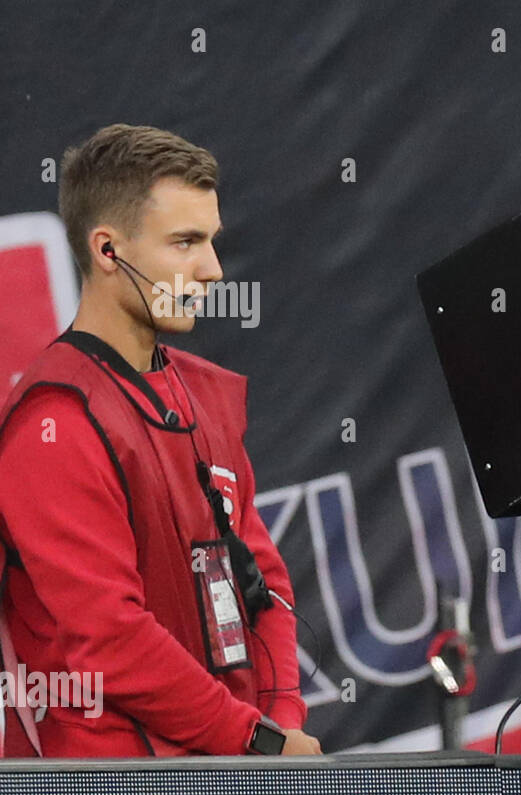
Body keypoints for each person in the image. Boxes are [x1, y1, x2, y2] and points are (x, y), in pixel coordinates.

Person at [0, 124, 319, 758]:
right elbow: (110, 639)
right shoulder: (54, 421)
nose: (213, 270)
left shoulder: (202, 392)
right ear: (108, 250)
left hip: (233, 777)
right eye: (185, 243)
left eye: (211, 241)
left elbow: (266, 585)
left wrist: (279, 721)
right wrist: (255, 741)